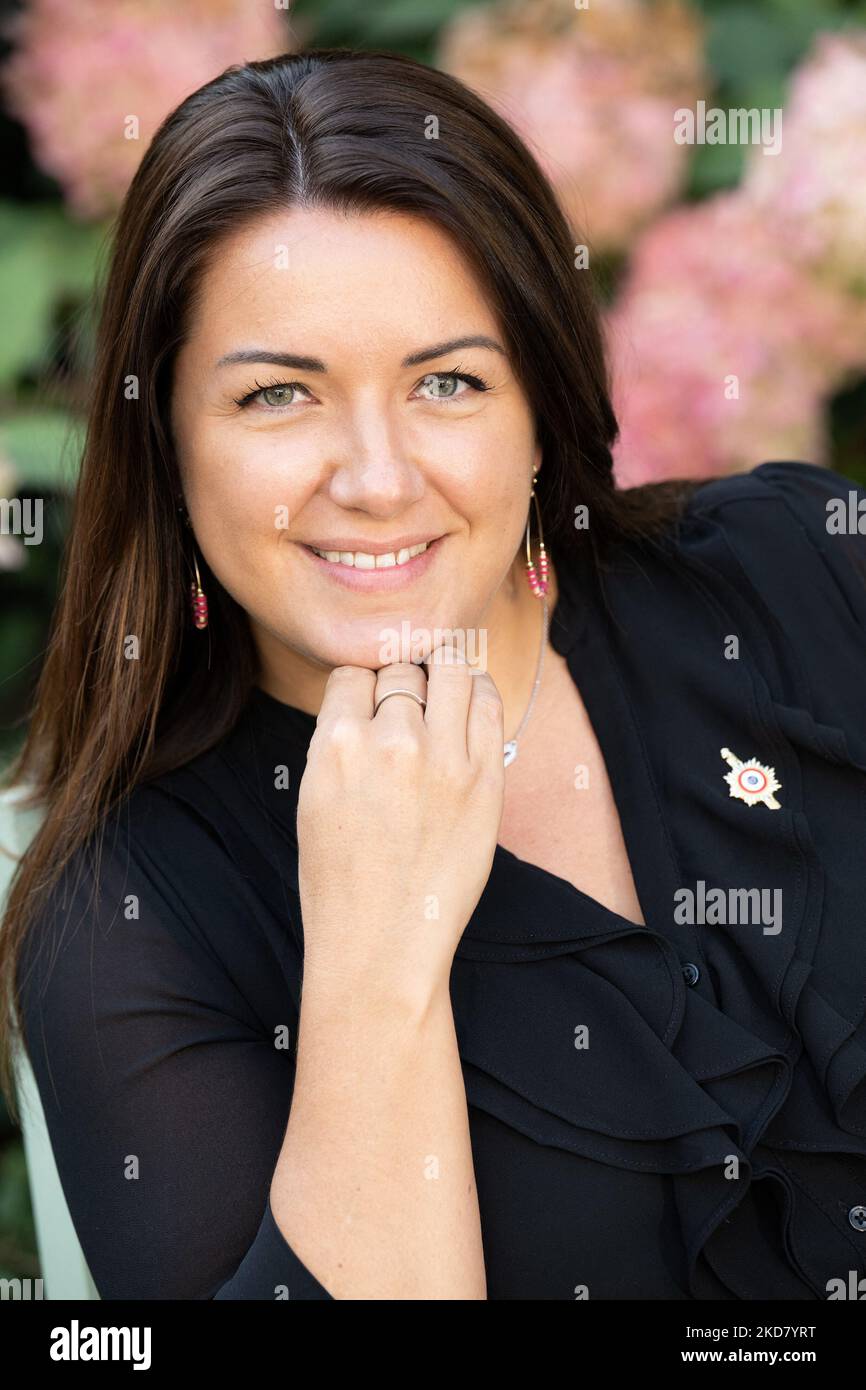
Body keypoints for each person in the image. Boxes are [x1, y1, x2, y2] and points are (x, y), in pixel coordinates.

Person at [2, 48, 865, 1302]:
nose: (376, 477)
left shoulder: (799, 574)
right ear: (166, 440)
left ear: (537, 405)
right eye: (278, 395)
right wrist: (373, 956)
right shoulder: (127, 921)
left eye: (446, 382)